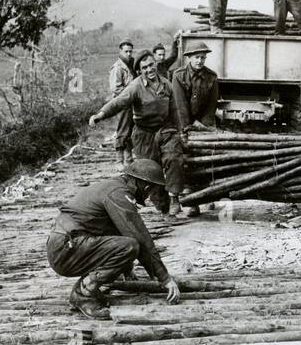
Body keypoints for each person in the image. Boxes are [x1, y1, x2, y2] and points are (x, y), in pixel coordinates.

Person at [46, 159, 181, 319]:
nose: (150, 196)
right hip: (66, 250)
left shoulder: (116, 186)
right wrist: (165, 278)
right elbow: (139, 236)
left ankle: (89, 289)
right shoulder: (118, 194)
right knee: (130, 246)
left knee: (125, 241)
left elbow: (117, 231)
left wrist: (126, 269)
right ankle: (83, 294)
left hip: (66, 244)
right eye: (151, 191)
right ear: (146, 186)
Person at [89, 50, 185, 216]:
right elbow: (118, 103)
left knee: (173, 157)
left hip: (165, 129)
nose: (149, 70)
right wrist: (100, 115)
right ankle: (163, 205)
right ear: (140, 70)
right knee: (150, 170)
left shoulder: (166, 84)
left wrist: (180, 131)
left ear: (156, 64)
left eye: (151, 65)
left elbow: (175, 110)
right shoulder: (135, 86)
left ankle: (174, 197)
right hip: (143, 133)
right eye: (145, 67)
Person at [172, 42, 220, 214]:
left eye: (203, 57)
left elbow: (211, 106)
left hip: (203, 126)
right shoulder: (178, 76)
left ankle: (206, 195)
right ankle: (190, 199)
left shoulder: (211, 77)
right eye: (196, 57)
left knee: (206, 157)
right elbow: (180, 106)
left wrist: (204, 128)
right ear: (189, 58)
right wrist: (188, 128)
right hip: (183, 125)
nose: (200, 61)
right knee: (186, 158)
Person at [107, 40, 137, 169]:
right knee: (122, 130)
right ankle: (119, 161)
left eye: (130, 51)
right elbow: (115, 88)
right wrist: (128, 96)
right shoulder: (118, 67)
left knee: (131, 131)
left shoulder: (131, 65)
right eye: (126, 51)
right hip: (122, 103)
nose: (129, 54)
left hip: (132, 103)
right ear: (120, 51)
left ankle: (129, 159)